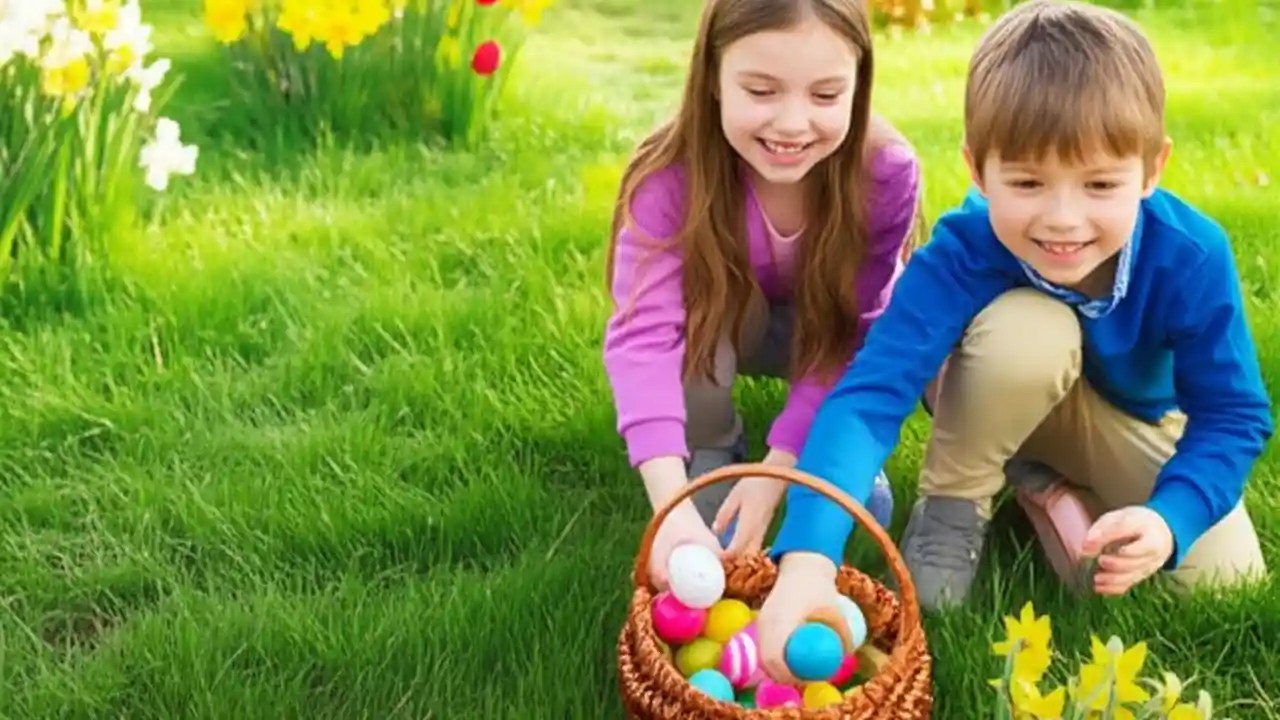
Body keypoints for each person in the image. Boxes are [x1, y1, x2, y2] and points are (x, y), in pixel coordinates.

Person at [752, 0, 1273, 683]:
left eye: (1100, 185)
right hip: (999, 381)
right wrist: (809, 557)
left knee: (1221, 579)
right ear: (977, 169)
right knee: (1030, 330)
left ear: (1151, 170)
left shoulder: (1191, 254)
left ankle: (1043, 484)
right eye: (1026, 182)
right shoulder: (964, 248)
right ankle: (956, 505)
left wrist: (1169, 519)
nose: (1063, 219)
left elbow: (1234, 414)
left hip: (1122, 417)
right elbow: (868, 398)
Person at [602, 0, 925, 590]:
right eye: (761, 90)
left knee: (860, 512)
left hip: (825, 331)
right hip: (725, 324)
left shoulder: (884, 173)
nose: (792, 125)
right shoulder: (671, 177)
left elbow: (851, 330)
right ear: (714, 80)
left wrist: (786, 466)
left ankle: (818, 445)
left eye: (826, 96)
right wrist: (670, 505)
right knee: (709, 517)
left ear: (860, 84)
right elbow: (643, 338)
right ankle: (713, 444)